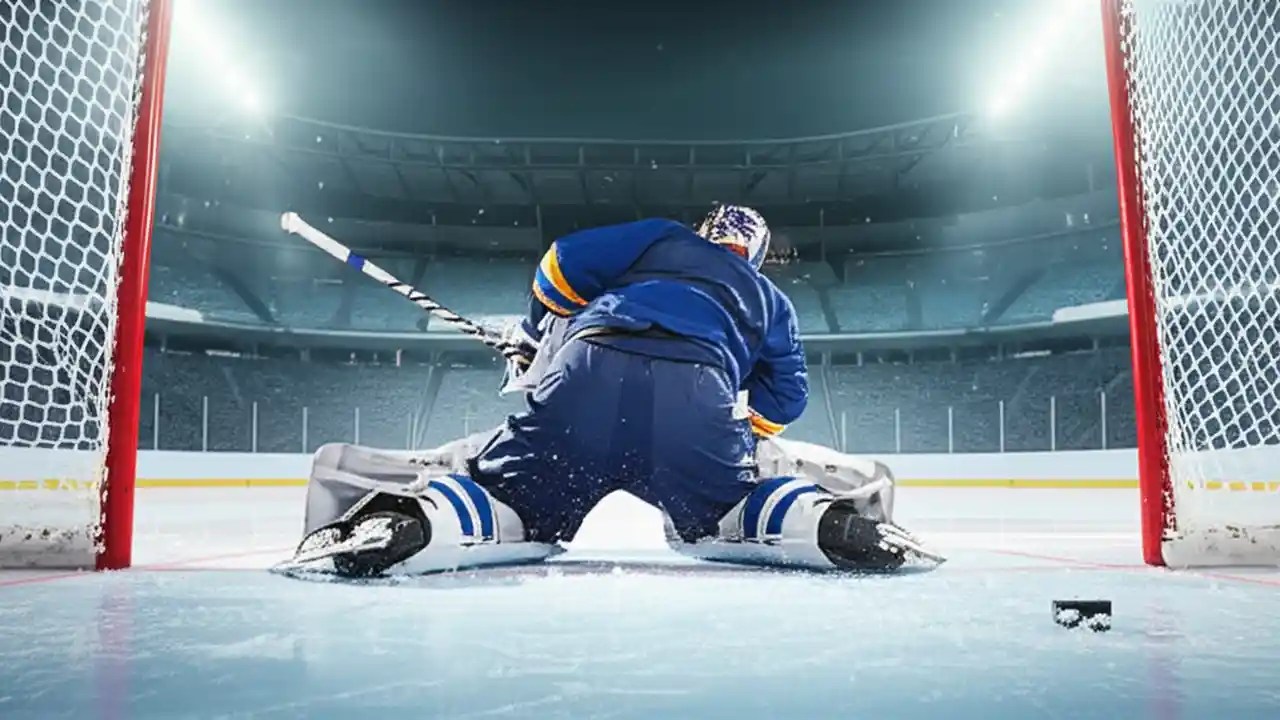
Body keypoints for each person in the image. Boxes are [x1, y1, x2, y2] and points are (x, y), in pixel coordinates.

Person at [290, 206, 939, 577]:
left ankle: (405, 524)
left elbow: (559, 264)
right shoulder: (768, 298)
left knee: (507, 498)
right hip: (698, 400)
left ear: (706, 230)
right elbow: (786, 397)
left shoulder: (662, 239)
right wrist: (741, 435)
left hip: (589, 371)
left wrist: (544, 335)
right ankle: (834, 526)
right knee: (734, 507)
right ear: (757, 253)